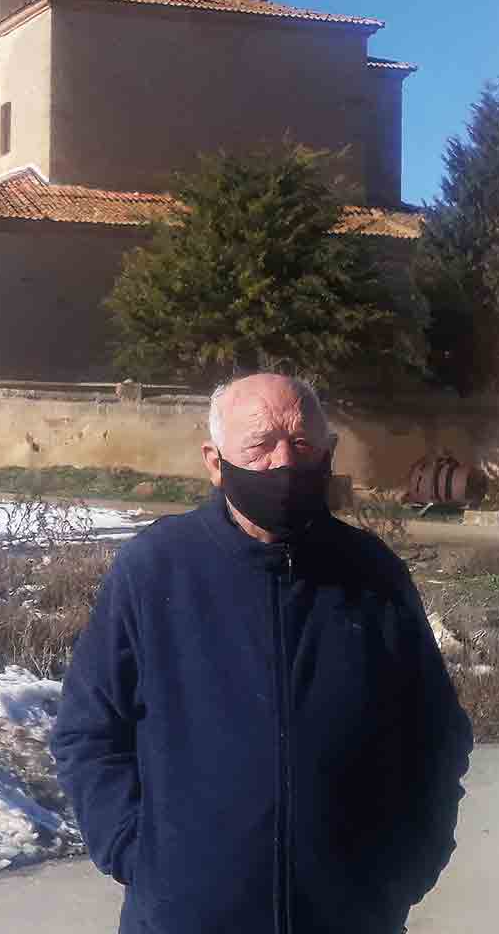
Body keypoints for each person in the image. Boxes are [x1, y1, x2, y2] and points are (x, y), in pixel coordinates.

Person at [52, 374, 472, 934]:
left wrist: (405, 867)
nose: (283, 463)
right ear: (215, 460)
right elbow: (88, 731)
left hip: (351, 917)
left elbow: (435, 736)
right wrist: (142, 856)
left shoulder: (372, 574)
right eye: (260, 444)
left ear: (328, 453)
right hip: (186, 918)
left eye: (301, 444)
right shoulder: (155, 570)